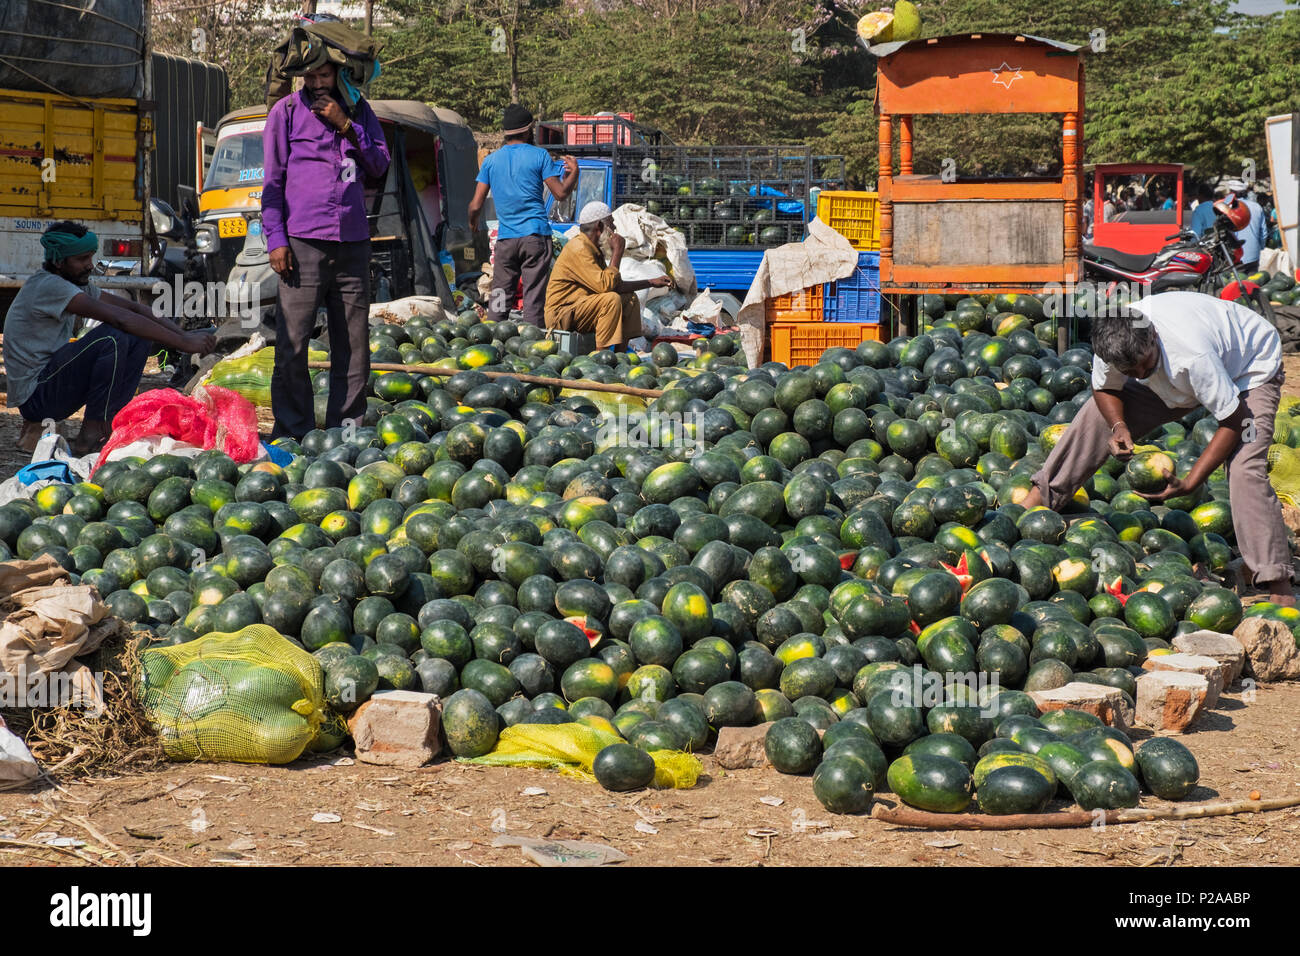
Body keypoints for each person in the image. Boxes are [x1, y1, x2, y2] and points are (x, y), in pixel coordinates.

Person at [1021, 291, 1294, 605]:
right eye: (1130, 372)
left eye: (1143, 365)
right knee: (1095, 416)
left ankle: (1277, 584)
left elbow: (1234, 421)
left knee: (1245, 465)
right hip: (1183, 373)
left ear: (1153, 335)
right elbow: (1106, 388)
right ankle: (1039, 498)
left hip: (1248, 369)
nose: (1139, 375)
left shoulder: (1191, 353)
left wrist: (1193, 481)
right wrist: (1119, 425)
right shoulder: (1115, 343)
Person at [4, 222, 215, 455]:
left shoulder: (72, 284)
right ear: (58, 261)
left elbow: (134, 309)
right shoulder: (49, 285)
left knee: (137, 337)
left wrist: (185, 335)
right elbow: (119, 319)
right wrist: (185, 344)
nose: (89, 266)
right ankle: (91, 433)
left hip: (53, 385)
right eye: (82, 260)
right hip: (37, 397)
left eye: (90, 257)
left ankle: (112, 424)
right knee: (111, 338)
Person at [262, 60, 390, 441]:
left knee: (353, 347)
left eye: (324, 75)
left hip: (352, 244)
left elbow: (379, 164)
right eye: (310, 76)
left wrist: (346, 126)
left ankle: (345, 433)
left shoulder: (359, 110)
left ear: (340, 75)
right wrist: (277, 240)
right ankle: (293, 432)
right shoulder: (285, 113)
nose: (316, 83)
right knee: (292, 345)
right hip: (302, 242)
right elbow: (272, 182)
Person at [468, 104, 578, 327]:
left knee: (499, 293)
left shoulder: (490, 161)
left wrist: (473, 223)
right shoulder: (540, 156)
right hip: (534, 239)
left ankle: (495, 332)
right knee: (533, 297)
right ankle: (532, 344)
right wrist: (573, 174)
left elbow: (475, 204)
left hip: (506, 240)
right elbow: (560, 193)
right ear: (529, 130)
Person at [544, 202, 672, 351]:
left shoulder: (593, 249)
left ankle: (619, 355)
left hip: (579, 308)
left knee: (629, 298)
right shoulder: (579, 248)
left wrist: (651, 282)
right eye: (611, 224)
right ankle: (601, 359)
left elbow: (616, 286)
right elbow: (607, 287)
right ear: (599, 226)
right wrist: (617, 251)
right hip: (561, 315)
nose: (614, 229)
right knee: (610, 300)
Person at [1232, 191, 1269, 274]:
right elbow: (1264, 233)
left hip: (1237, 258)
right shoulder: (1256, 206)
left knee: (1239, 284)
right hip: (1255, 255)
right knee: (1254, 284)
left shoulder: (1229, 208)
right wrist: (1260, 248)